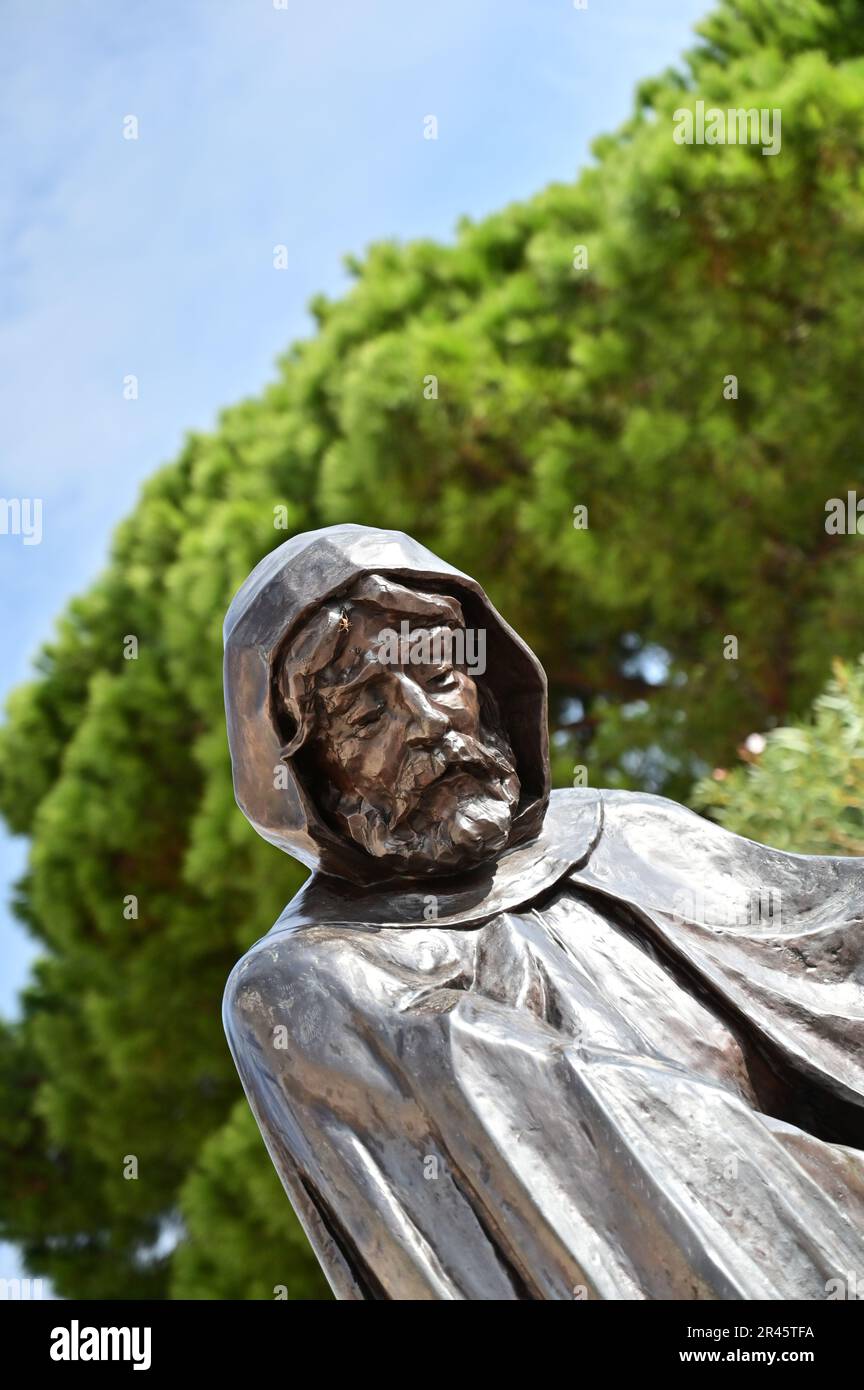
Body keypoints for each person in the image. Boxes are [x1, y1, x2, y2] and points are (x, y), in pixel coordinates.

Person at [223, 524, 864, 1300]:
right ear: (308, 785)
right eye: (364, 718)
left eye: (440, 677)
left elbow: (834, 942)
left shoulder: (624, 832)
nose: (426, 724)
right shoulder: (308, 979)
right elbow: (594, 1129)